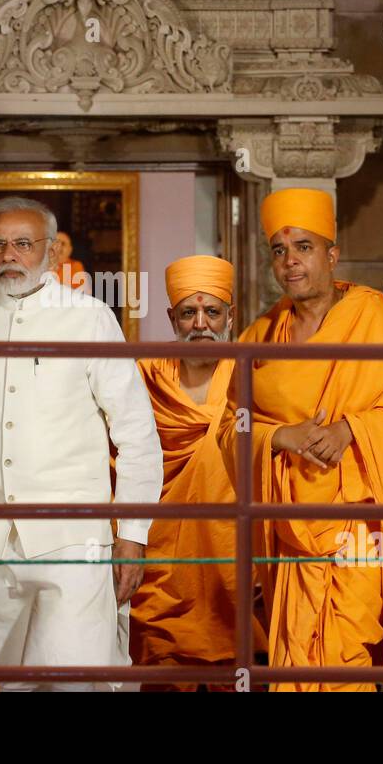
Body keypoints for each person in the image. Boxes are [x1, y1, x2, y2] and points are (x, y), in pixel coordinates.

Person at [0, 196, 163, 691]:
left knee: (71, 682)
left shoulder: (90, 319)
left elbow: (136, 433)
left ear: (51, 253)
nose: (9, 255)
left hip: (73, 545)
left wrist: (132, 533)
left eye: (23, 244)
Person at [219, 187, 383, 692]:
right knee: (292, 659)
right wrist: (278, 436)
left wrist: (352, 428)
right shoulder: (258, 336)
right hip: (290, 538)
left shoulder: (371, 317)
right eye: (279, 251)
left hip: (357, 533)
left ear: (332, 255)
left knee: (346, 657)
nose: (291, 262)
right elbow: (228, 428)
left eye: (304, 248)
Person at [131, 255, 268, 690]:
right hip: (160, 566)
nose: (200, 323)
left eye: (212, 312)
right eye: (189, 312)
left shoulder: (253, 375)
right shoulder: (142, 377)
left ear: (231, 315)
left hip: (236, 561)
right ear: (172, 317)